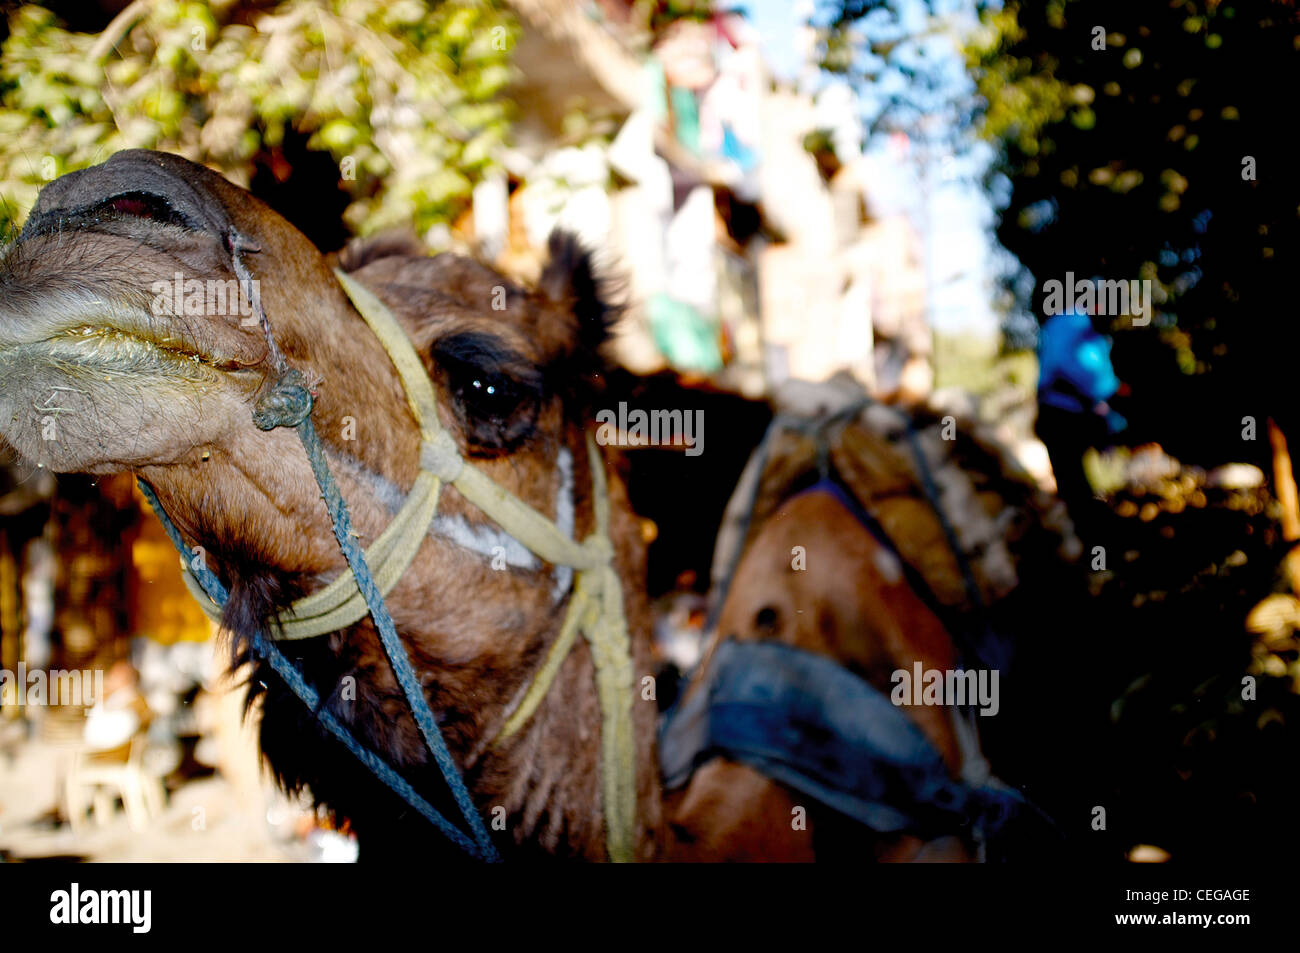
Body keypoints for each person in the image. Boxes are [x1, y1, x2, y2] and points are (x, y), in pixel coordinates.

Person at [1035, 309, 1128, 517]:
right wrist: (1094, 401)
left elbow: (1102, 379)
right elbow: (1059, 370)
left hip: (1080, 415)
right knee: (1075, 489)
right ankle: (1087, 535)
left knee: (1082, 487)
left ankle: (1094, 528)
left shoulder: (1096, 335)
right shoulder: (1070, 323)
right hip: (1061, 415)